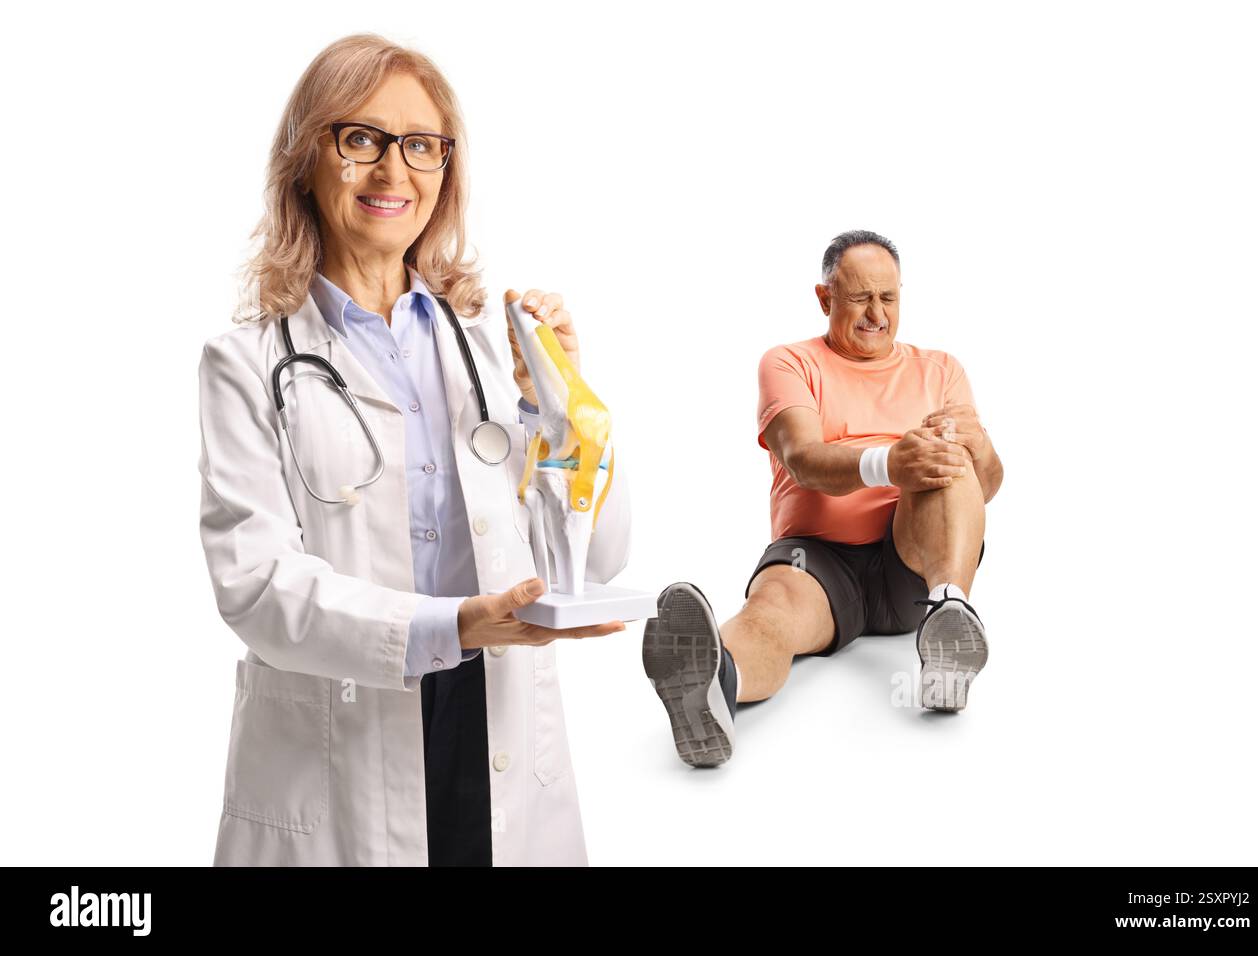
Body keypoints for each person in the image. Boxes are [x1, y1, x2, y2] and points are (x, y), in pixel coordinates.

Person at [197, 33, 630, 865]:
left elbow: (597, 560)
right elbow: (254, 585)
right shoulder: (244, 363)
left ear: (446, 171)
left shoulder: (488, 350)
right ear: (305, 160)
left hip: (495, 717)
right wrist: (454, 624)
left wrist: (564, 404)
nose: (395, 171)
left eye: (422, 146)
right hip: (343, 724)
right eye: (361, 139)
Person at [642, 230, 1003, 767]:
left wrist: (982, 450)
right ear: (825, 297)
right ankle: (716, 684)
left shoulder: (941, 369)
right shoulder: (789, 363)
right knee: (770, 615)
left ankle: (948, 614)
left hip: (913, 565)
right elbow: (803, 458)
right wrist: (889, 463)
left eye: (888, 298)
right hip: (819, 560)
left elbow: (985, 488)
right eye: (860, 298)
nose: (876, 313)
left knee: (947, 464)